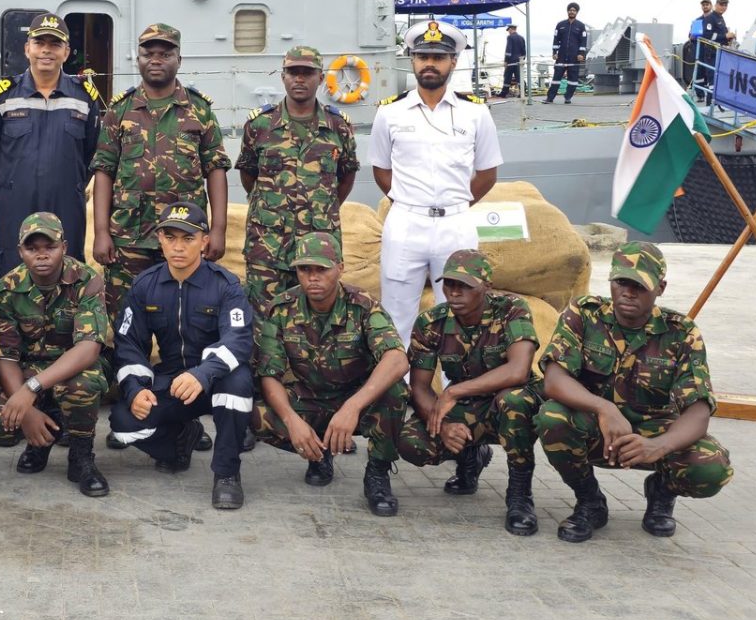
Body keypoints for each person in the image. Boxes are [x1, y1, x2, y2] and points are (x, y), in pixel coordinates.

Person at [531, 242, 734, 542]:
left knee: (711, 467)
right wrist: (605, 409)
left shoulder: (681, 333)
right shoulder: (584, 314)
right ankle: (590, 501)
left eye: (639, 286)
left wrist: (660, 446)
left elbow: (699, 411)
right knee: (552, 418)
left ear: (660, 288)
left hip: (652, 432)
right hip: (597, 428)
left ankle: (662, 491)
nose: (628, 292)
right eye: (621, 282)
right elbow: (554, 380)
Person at [250, 233, 424, 517]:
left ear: (340, 268)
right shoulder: (282, 309)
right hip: (311, 398)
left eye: (322, 269)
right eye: (305, 269)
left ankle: (377, 474)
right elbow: (270, 374)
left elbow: (397, 360)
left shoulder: (363, 305)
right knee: (254, 415)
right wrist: (292, 421)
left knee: (394, 392)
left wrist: (352, 407)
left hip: (357, 400)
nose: (312, 278)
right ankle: (319, 455)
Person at [107, 202, 256, 510]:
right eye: (170, 237)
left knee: (238, 385)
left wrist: (203, 373)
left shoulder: (225, 285)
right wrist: (135, 390)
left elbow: (239, 339)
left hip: (215, 380)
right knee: (122, 423)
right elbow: (128, 343)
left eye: (188, 238)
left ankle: (227, 474)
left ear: (204, 241)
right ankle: (181, 440)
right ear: (159, 240)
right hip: (172, 382)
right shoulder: (144, 285)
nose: (178, 247)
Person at [369, 19, 503, 338]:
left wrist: (455, 203)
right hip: (405, 224)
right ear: (412, 60)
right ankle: (398, 387)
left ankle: (453, 388)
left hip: (455, 225)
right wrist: (408, 202)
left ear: (453, 62)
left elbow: (487, 173)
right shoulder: (390, 112)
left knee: (459, 317)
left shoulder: (476, 113)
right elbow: (380, 170)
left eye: (439, 57)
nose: (430, 63)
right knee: (397, 315)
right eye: (422, 56)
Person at [90, 22, 230, 319]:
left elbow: (216, 169)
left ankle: (184, 366)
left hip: (185, 234)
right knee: (124, 313)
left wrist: (217, 230)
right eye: (148, 53)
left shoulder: (199, 110)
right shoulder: (120, 110)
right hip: (129, 235)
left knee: (188, 311)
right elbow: (103, 171)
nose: (156, 59)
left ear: (179, 60)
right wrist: (101, 232)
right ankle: (127, 366)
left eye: (165, 54)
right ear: (137, 59)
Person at [401, 250, 543, 535]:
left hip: (516, 395)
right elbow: (418, 386)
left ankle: (519, 497)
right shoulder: (432, 322)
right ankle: (470, 459)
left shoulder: (512, 309)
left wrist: (454, 393)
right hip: (469, 402)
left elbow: (517, 370)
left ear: (486, 286)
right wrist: (442, 426)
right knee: (411, 441)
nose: (455, 292)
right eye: (450, 283)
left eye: (465, 285)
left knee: (512, 402)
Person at [0, 213, 111, 497]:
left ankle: (81, 455)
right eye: (32, 248)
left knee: (83, 385)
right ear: (20, 252)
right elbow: (6, 355)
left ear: (64, 246)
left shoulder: (87, 280)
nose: (41, 256)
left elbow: (89, 347)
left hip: (72, 367)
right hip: (27, 369)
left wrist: (32, 390)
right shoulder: (6, 289)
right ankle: (40, 441)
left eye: (49, 247)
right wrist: (25, 411)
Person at [0, 11, 102, 281]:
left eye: (55, 44)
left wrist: (68, 184)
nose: (46, 50)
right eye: (39, 43)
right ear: (27, 48)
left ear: (66, 52)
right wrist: (11, 184)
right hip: (14, 204)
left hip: (66, 204)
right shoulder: (2, 97)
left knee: (67, 273)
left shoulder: (84, 99)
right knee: (11, 273)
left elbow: (90, 157)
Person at [236, 45, 359, 310]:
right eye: (293, 72)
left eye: (307, 73)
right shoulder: (260, 125)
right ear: (283, 77)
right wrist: (266, 203)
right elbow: (248, 172)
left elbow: (346, 174)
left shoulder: (338, 127)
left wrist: (325, 206)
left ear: (321, 77)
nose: (299, 79)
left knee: (316, 314)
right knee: (264, 317)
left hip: (319, 245)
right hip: (267, 244)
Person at [545, 4, 589, 104]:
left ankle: (568, 97)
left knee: (573, 80)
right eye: (570, 10)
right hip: (561, 56)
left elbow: (583, 41)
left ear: (577, 12)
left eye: (574, 10)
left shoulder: (581, 26)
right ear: (567, 11)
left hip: (574, 57)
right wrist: (554, 52)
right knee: (556, 79)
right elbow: (556, 39)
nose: (572, 12)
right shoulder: (560, 25)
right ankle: (550, 98)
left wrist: (581, 53)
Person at [695, 0, 735, 97]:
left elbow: (720, 35)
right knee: (713, 80)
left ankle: (715, 103)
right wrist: (725, 36)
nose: (723, 7)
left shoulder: (720, 18)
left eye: (725, 5)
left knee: (718, 80)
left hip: (720, 53)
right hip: (712, 54)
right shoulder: (710, 18)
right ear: (716, 5)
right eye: (721, 4)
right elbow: (707, 35)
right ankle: (711, 105)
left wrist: (728, 38)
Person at [682, 0, 712, 84]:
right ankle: (700, 93)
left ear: (711, 6)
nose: (705, 6)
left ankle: (709, 90)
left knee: (710, 71)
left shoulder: (714, 19)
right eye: (703, 5)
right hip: (700, 50)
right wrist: (692, 36)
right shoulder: (697, 21)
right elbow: (690, 35)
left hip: (711, 51)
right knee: (699, 71)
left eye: (707, 4)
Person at [499, 25, 527, 97]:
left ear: (511, 29)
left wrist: (506, 60)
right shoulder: (521, 38)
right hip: (519, 61)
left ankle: (504, 93)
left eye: (508, 30)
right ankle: (522, 93)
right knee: (519, 77)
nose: (508, 32)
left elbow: (508, 50)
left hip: (511, 61)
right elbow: (524, 50)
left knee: (507, 77)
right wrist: (523, 59)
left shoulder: (510, 37)